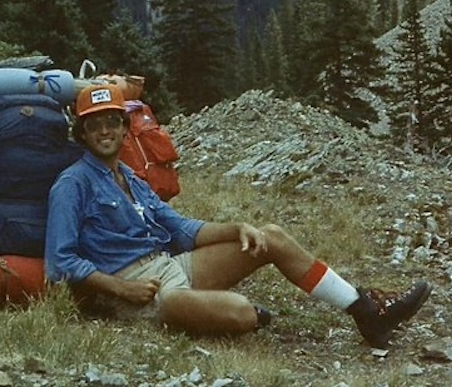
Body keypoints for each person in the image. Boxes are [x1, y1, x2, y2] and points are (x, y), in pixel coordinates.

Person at [45, 83, 431, 348]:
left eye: (112, 120)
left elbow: (178, 227)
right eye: (94, 124)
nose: (104, 130)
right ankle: (215, 313)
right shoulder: (72, 184)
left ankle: (365, 311)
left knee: (271, 236)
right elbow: (60, 261)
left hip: (167, 266)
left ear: (125, 127)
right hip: (133, 292)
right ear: (82, 133)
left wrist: (237, 228)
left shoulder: (128, 177)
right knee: (244, 315)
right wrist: (120, 289)